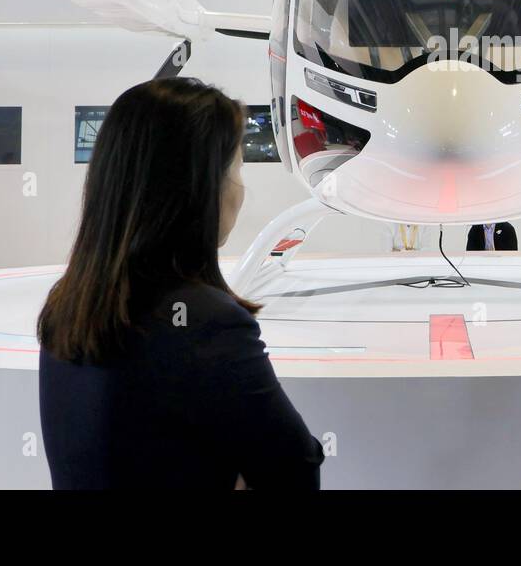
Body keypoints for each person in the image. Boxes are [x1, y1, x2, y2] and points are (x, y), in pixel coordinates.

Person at [38, 77, 324, 490]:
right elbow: (295, 468)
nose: (241, 190)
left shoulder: (68, 304)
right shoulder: (204, 321)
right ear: (197, 185)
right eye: (236, 167)